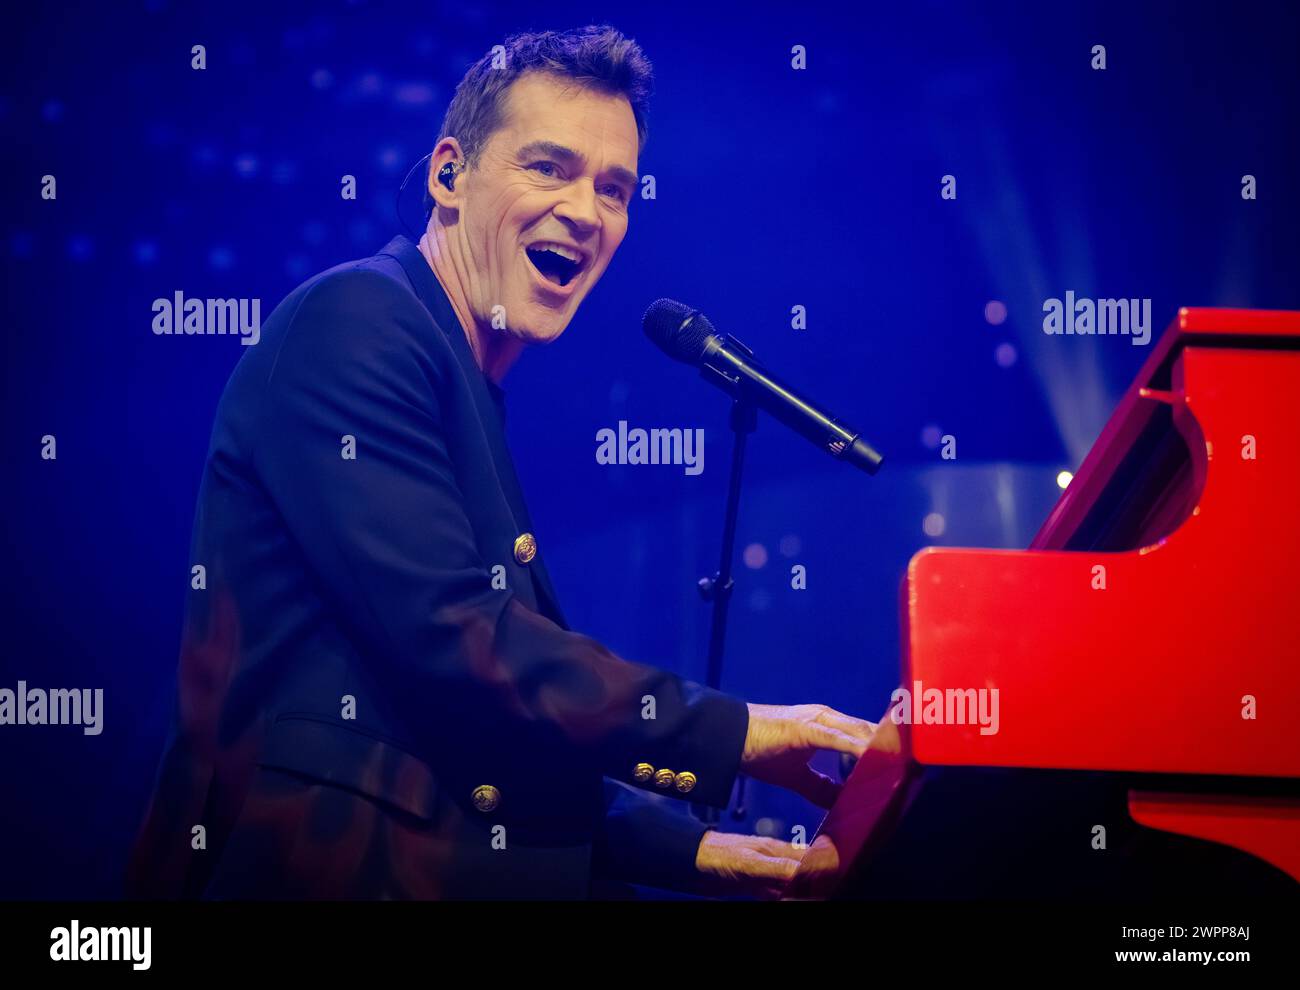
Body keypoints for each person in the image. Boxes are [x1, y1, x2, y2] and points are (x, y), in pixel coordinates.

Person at [125, 24, 875, 901]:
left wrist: (704, 852)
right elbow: (459, 639)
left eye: (616, 189)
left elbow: (466, 734)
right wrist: (734, 731)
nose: (587, 212)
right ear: (449, 175)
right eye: (548, 168)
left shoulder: (457, 379)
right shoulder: (359, 320)